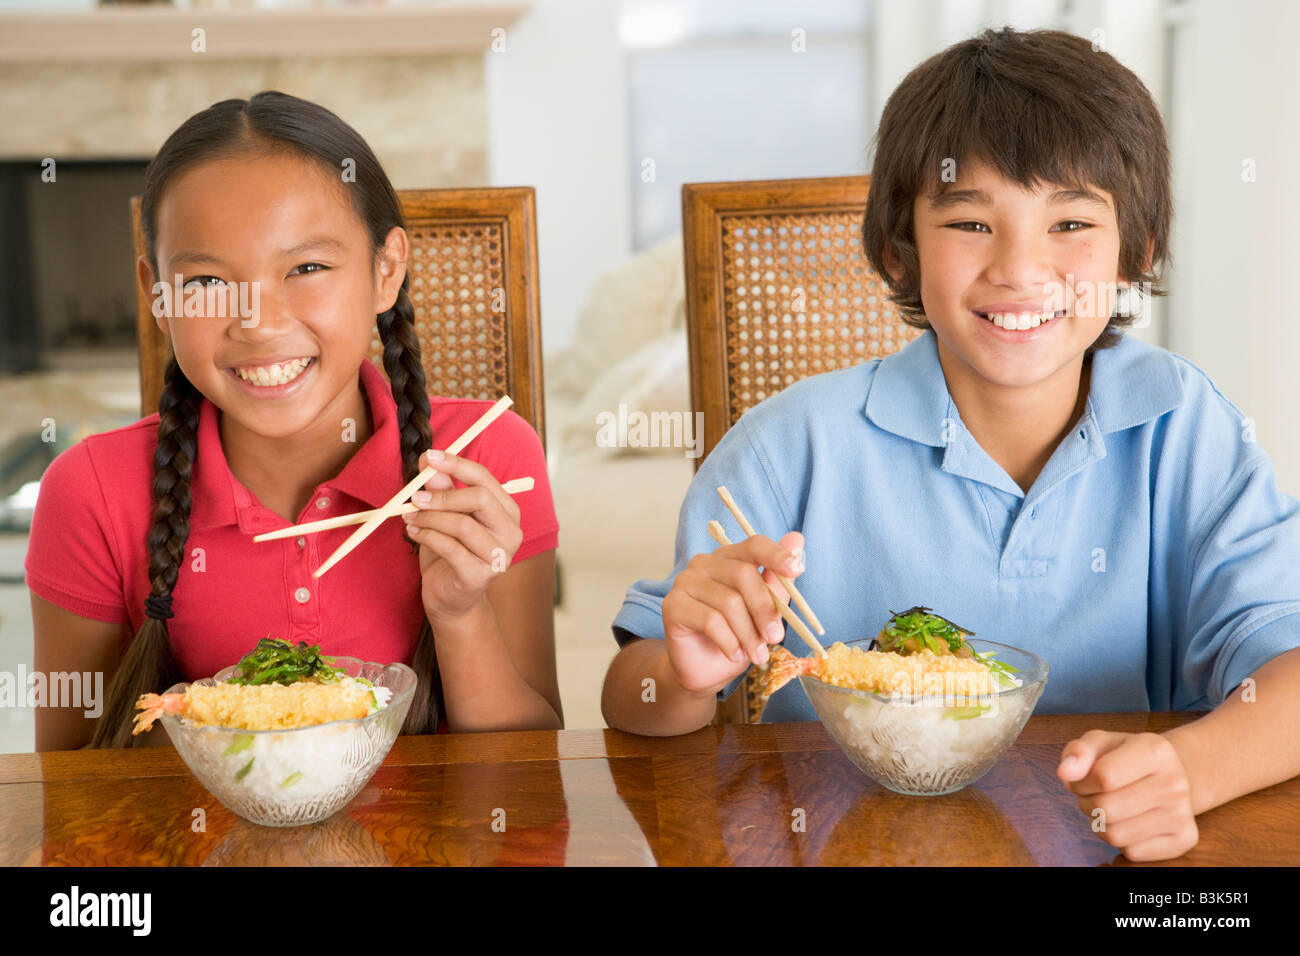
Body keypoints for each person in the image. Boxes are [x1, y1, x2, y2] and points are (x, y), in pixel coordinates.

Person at [601, 27, 1300, 861]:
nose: (1021, 268)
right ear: (900, 253)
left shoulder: (1185, 426)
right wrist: (682, 675)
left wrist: (1191, 769)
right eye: (971, 221)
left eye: (1072, 221)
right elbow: (629, 698)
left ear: (1134, 255)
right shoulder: (788, 445)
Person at [27, 91, 561, 750]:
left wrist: (459, 612)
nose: (260, 322)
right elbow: (69, 788)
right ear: (156, 295)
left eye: (306, 268)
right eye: (206, 283)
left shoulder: (488, 459)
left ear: (386, 270)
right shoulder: (91, 491)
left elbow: (534, 765)